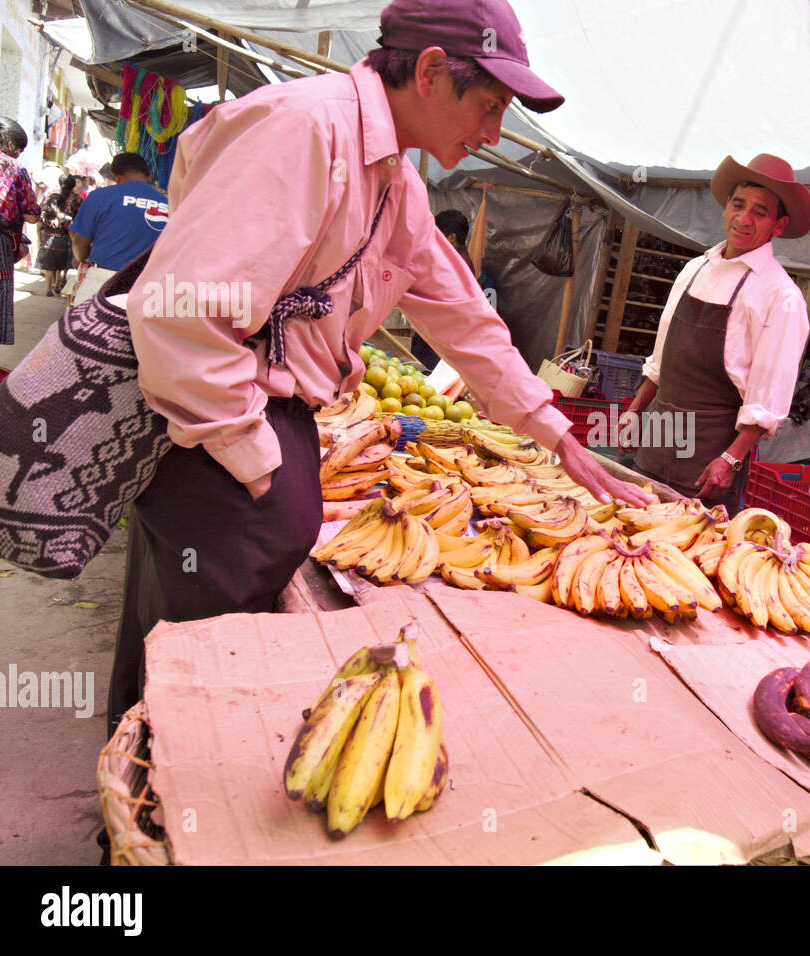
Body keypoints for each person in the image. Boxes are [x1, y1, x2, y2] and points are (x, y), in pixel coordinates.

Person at [110, 0, 651, 741]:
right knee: (203, 676)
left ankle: (145, 811)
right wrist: (252, 458)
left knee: (183, 656)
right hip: (222, 450)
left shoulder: (398, 184)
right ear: (430, 72)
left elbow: (464, 316)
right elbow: (180, 310)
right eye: (488, 106)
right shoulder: (305, 128)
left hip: (263, 437)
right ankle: (157, 826)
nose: (494, 133)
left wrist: (554, 434)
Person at [622, 154, 810, 511]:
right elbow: (662, 359)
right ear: (725, 208)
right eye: (738, 205)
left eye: (760, 211)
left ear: (779, 225)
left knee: (688, 554)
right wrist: (635, 410)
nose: (744, 218)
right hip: (659, 435)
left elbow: (767, 399)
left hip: (710, 459)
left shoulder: (781, 296)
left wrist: (730, 459)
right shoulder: (695, 269)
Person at [68, 152, 168, 305]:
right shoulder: (169, 204)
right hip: (149, 288)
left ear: (116, 176)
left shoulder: (99, 197)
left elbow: (80, 242)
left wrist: (80, 258)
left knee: (86, 327)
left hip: (102, 279)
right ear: (149, 176)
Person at [409, 208, 497, 368]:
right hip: (438, 329)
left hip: (440, 331)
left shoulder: (456, 263)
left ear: (451, 237)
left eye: (437, 234)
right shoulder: (457, 259)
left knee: (426, 374)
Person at [0, 118, 41, 377]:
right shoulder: (14, 168)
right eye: (19, 147)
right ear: (9, 143)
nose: (19, 152)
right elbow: (32, 215)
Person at [35, 173, 82, 296]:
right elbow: (79, 219)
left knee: (49, 266)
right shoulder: (77, 200)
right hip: (67, 236)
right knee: (63, 264)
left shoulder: (50, 196)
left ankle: (48, 288)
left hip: (49, 236)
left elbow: (40, 215)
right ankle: (59, 283)